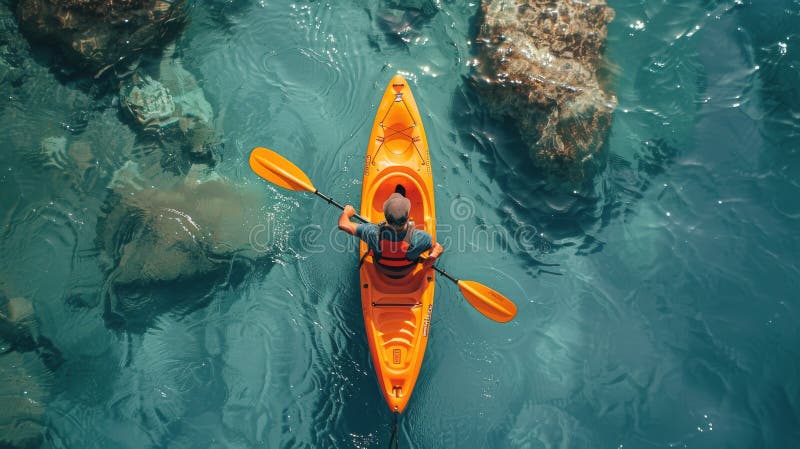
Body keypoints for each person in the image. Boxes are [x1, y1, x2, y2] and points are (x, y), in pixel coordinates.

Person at [338, 185, 444, 278]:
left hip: (382, 270)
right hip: (406, 271)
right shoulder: (420, 238)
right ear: (408, 218)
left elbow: (343, 225)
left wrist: (347, 213)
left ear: (385, 217)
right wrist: (434, 254)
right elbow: (437, 247)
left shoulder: (372, 233)